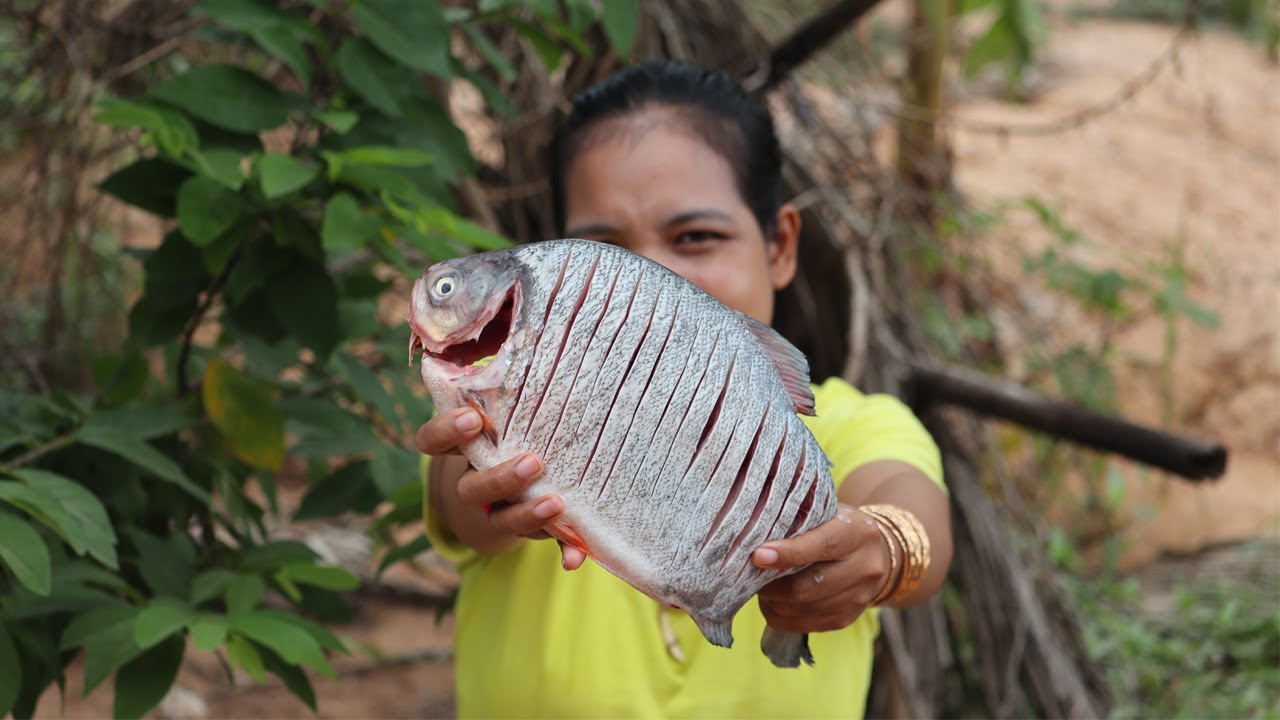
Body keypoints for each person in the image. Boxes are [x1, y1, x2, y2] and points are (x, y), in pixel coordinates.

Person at [415, 59, 952, 719]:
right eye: (609, 248)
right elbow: (465, 508)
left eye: (695, 237)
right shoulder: (512, 406)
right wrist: (485, 484)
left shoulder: (853, 423)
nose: (654, 278)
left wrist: (886, 548)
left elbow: (913, 508)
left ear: (780, 245)